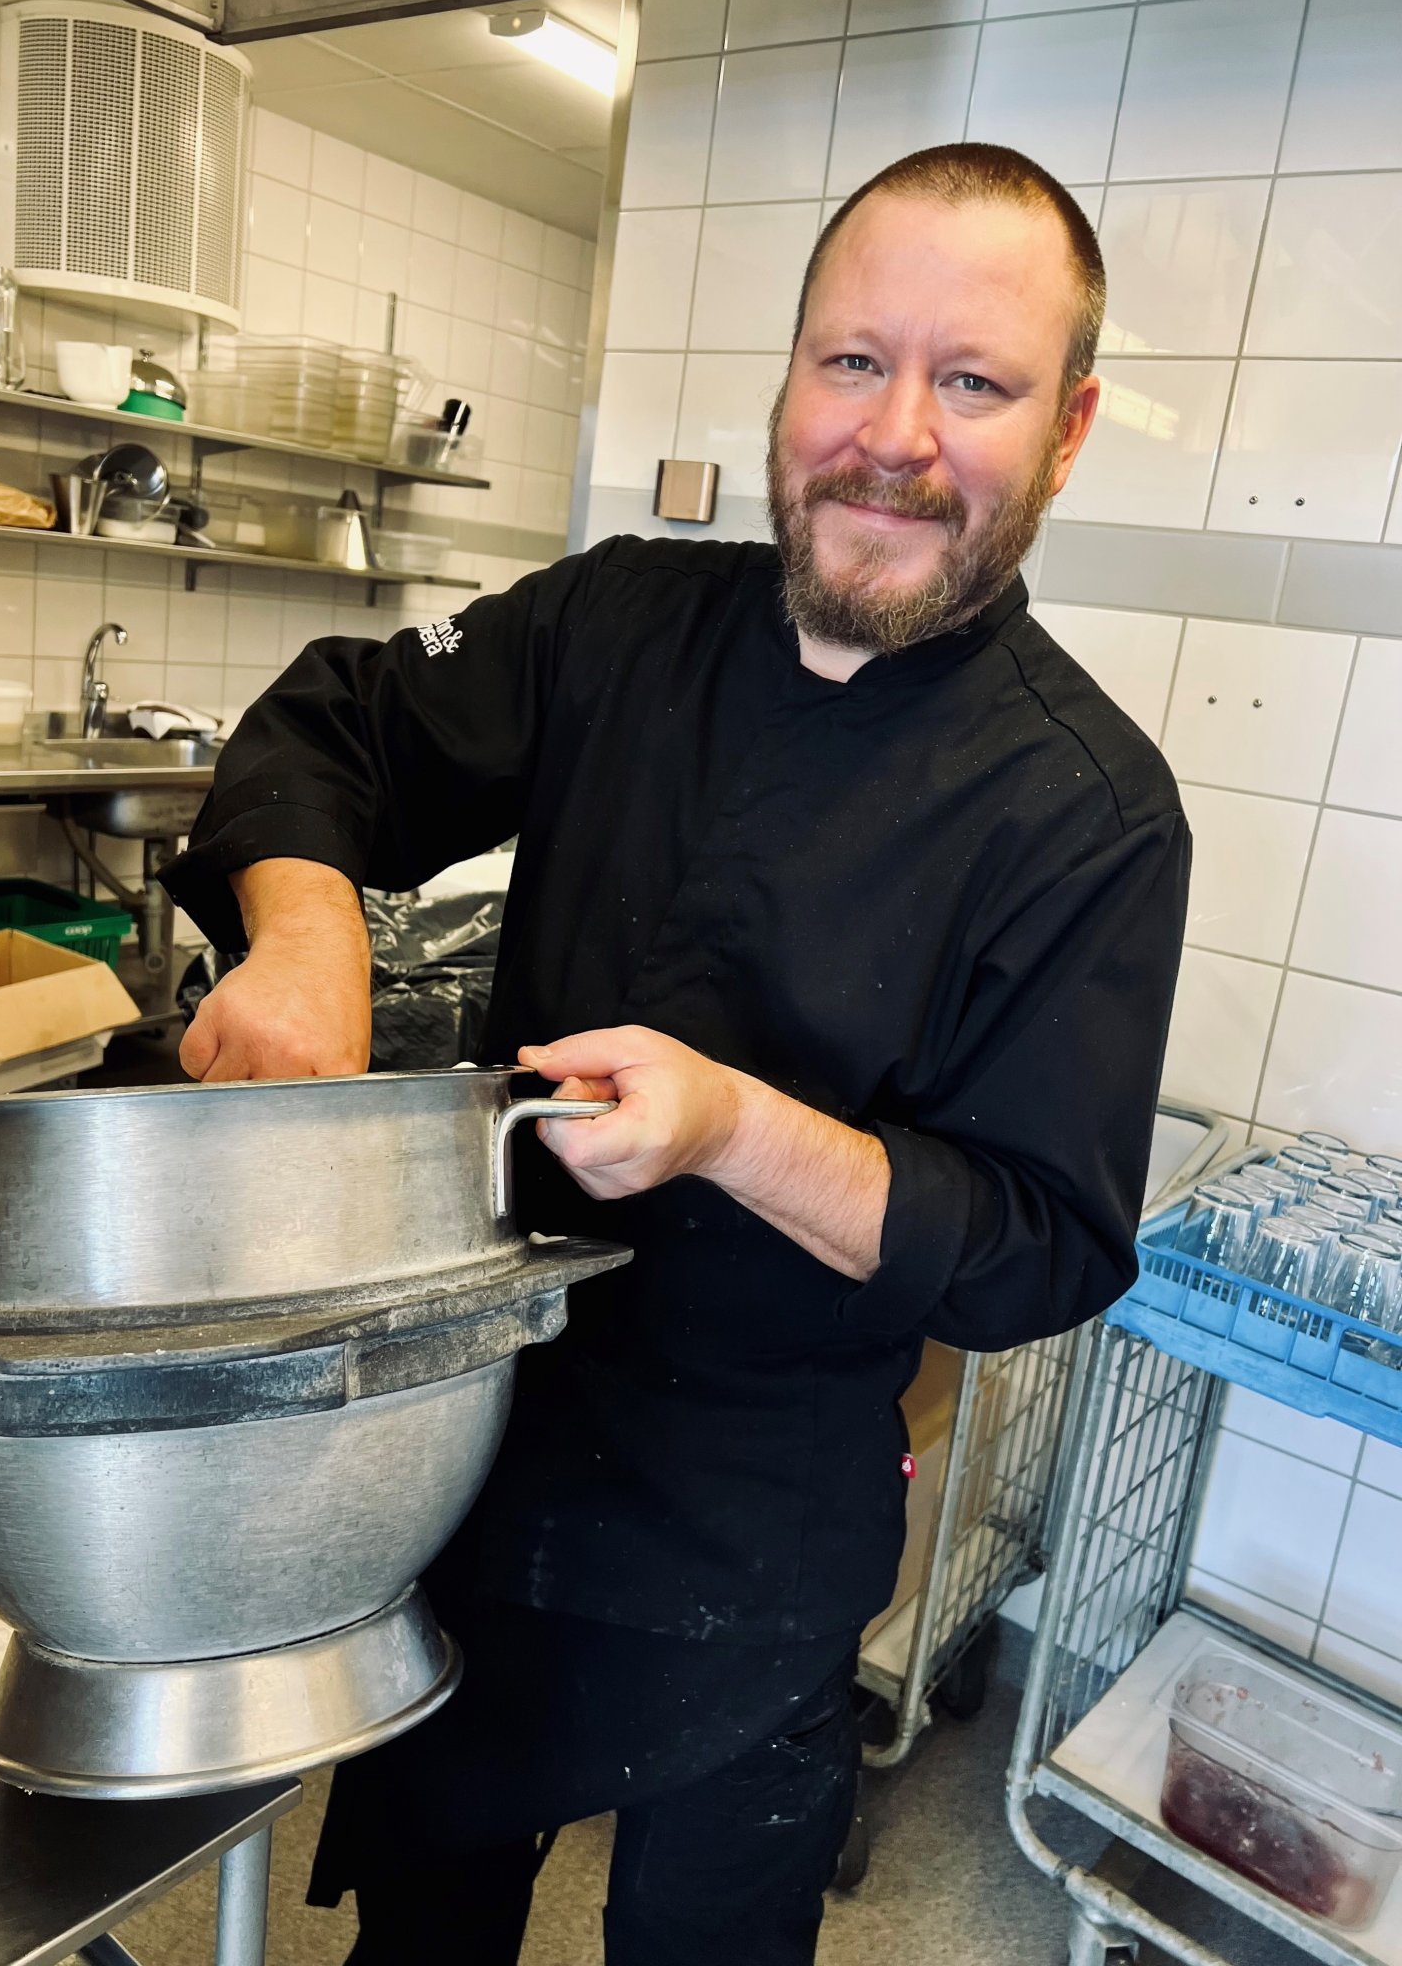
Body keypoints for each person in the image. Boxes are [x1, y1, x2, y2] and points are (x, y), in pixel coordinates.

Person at [161, 140, 1190, 1964]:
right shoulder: (613, 621)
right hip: (474, 1455)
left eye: (974, 383)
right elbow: (337, 728)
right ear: (789, 374)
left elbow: (1041, 1240)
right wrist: (309, 938)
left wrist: (732, 1131)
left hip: (752, 1542)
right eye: (853, 360)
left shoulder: (1089, 808)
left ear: (1069, 429)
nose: (895, 437)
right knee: (422, 1934)